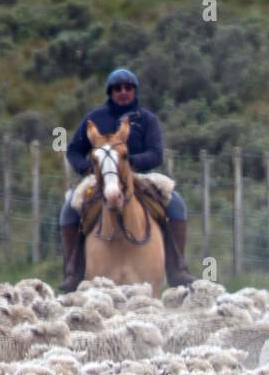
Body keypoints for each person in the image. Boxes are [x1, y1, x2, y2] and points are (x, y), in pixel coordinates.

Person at [58, 67, 194, 292]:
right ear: (110, 92)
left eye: (128, 88)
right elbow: (73, 150)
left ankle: (177, 268)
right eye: (118, 88)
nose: (123, 92)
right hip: (100, 176)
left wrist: (129, 162)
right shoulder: (94, 118)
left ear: (135, 91)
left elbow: (156, 152)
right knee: (69, 208)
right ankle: (72, 270)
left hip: (138, 174)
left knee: (176, 203)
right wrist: (87, 168)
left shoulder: (147, 119)